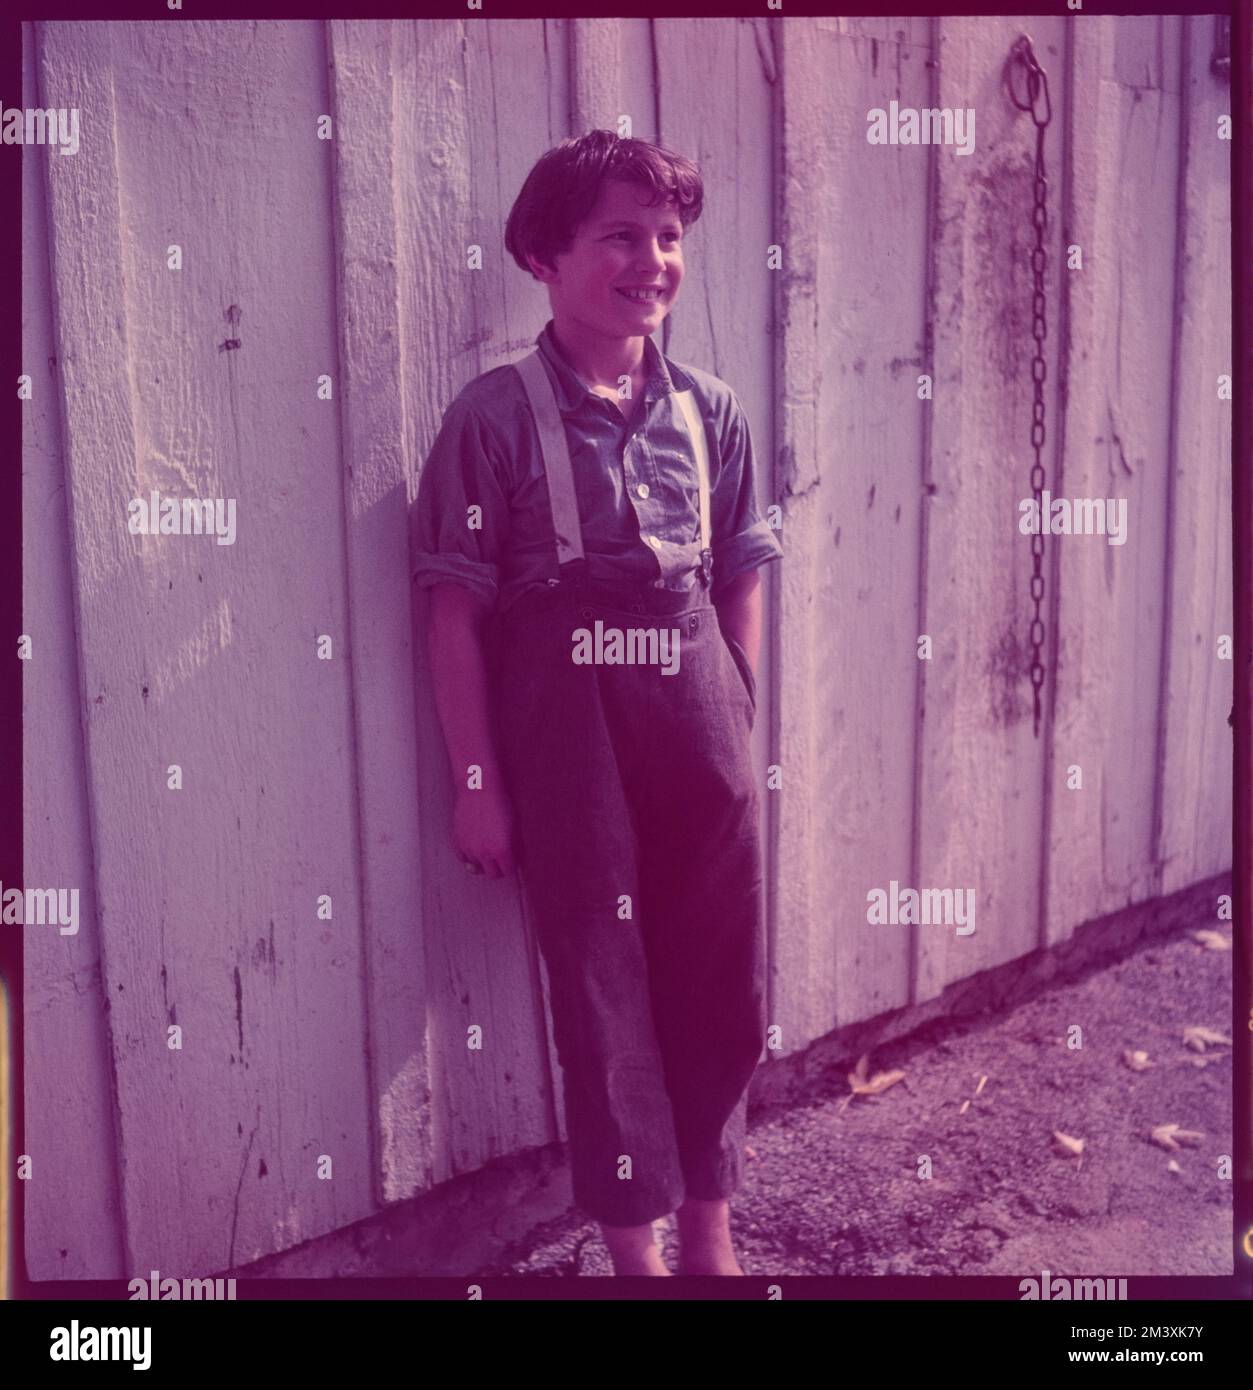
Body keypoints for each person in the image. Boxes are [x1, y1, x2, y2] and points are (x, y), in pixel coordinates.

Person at [412, 129, 783, 1275]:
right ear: (544, 255)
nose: (652, 260)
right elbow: (452, 614)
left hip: (693, 705)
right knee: (599, 976)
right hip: (565, 721)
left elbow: (742, 567)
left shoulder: (710, 409)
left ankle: (712, 1230)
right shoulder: (490, 418)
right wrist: (478, 784)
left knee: (721, 967)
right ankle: (637, 1253)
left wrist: (733, 697)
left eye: (668, 238)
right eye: (620, 235)